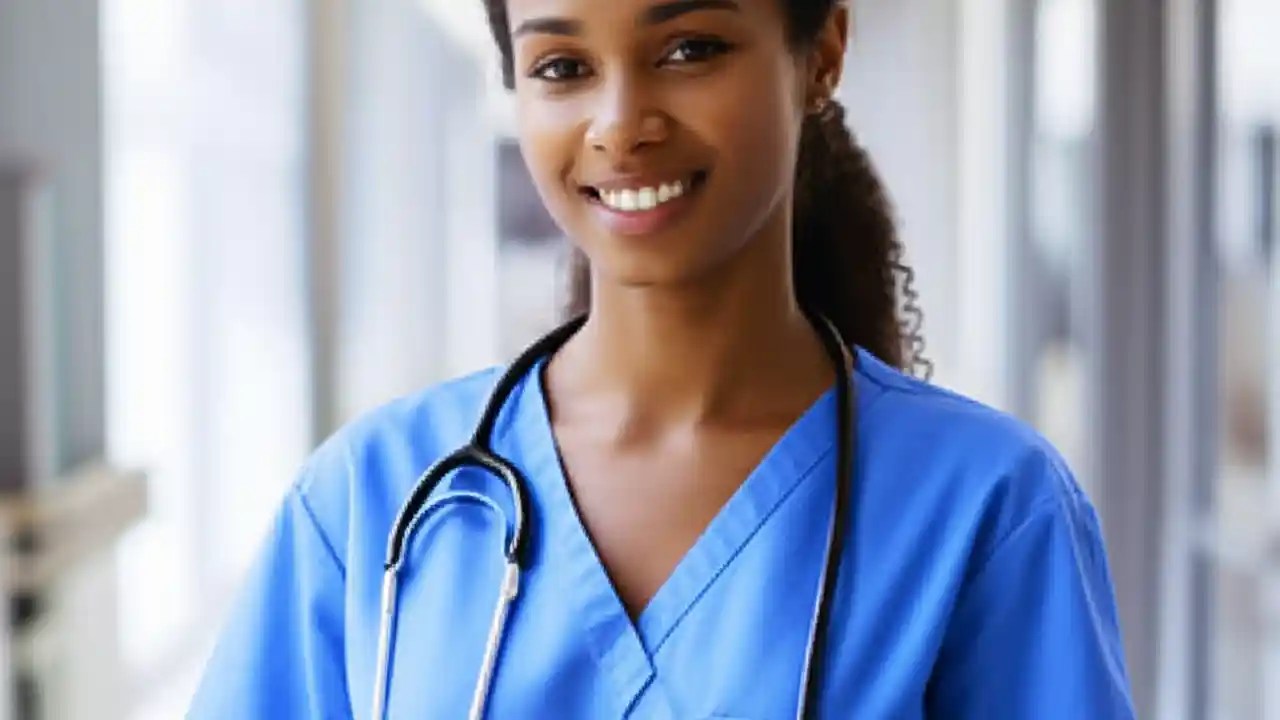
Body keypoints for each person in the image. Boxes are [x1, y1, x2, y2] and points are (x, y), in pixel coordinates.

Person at [189, 0, 1136, 717]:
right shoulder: (374, 502)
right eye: (561, 67)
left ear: (823, 55)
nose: (621, 121)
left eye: (690, 50)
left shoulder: (988, 508)